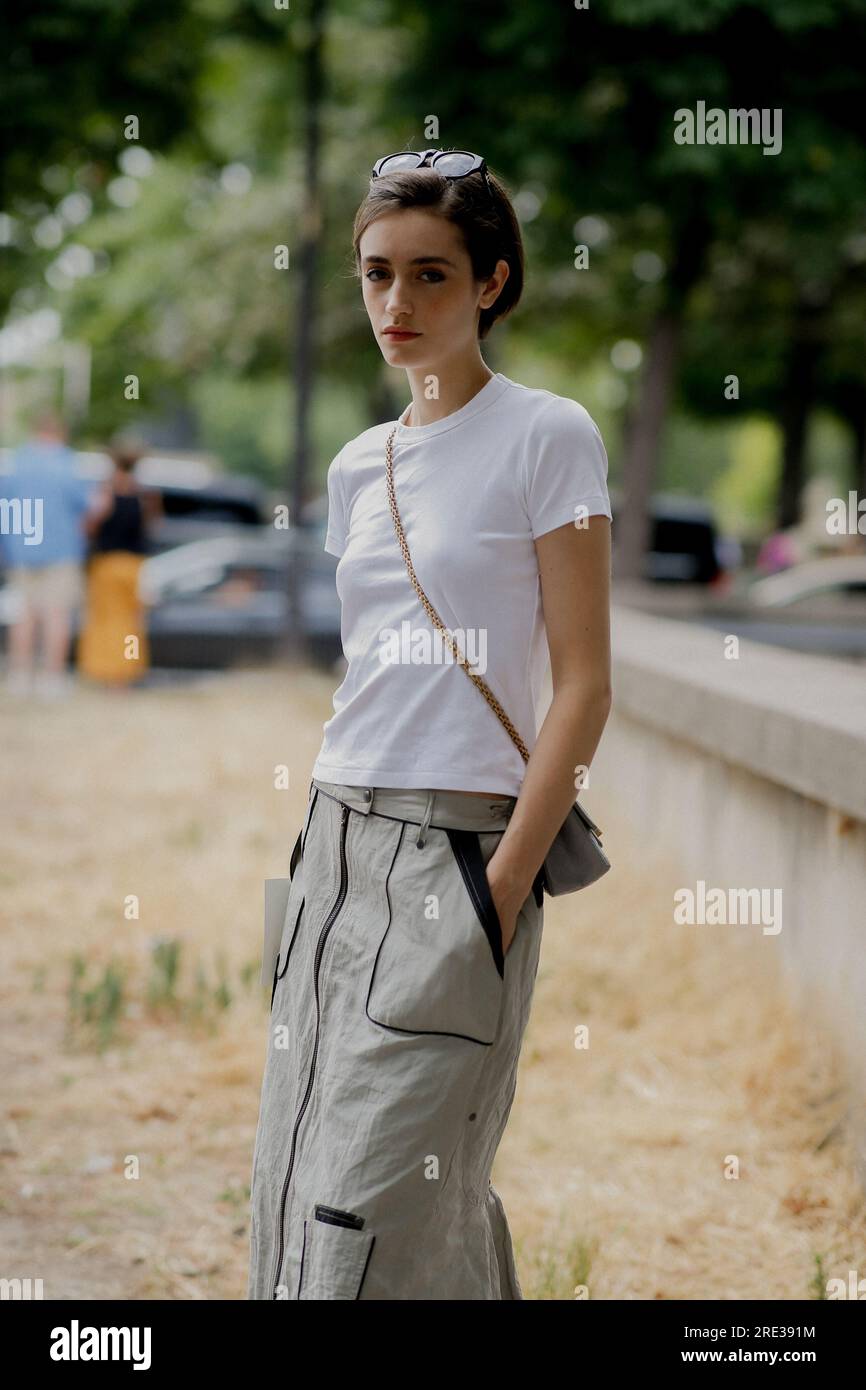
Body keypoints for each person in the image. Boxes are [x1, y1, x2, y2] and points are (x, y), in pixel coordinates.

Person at [247, 149, 613, 1301]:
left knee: (383, 1189)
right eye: (375, 276)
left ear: (491, 284)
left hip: (455, 850)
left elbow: (584, 684)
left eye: (431, 276)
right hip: (332, 843)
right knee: (296, 1167)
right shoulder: (359, 465)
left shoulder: (546, 435)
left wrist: (498, 890)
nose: (396, 306)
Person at [0, 409, 95, 700]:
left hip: (20, 552)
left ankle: (19, 676)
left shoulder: (16, 463)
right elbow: (87, 507)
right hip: (60, 553)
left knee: (23, 616)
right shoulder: (66, 464)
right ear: (60, 433)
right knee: (56, 616)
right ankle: (51, 680)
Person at [76, 439, 161, 689]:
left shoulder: (105, 491)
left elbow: (89, 525)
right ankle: (127, 672)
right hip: (134, 565)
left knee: (106, 620)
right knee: (131, 621)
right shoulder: (146, 495)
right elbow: (152, 525)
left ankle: (105, 672)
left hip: (107, 564)